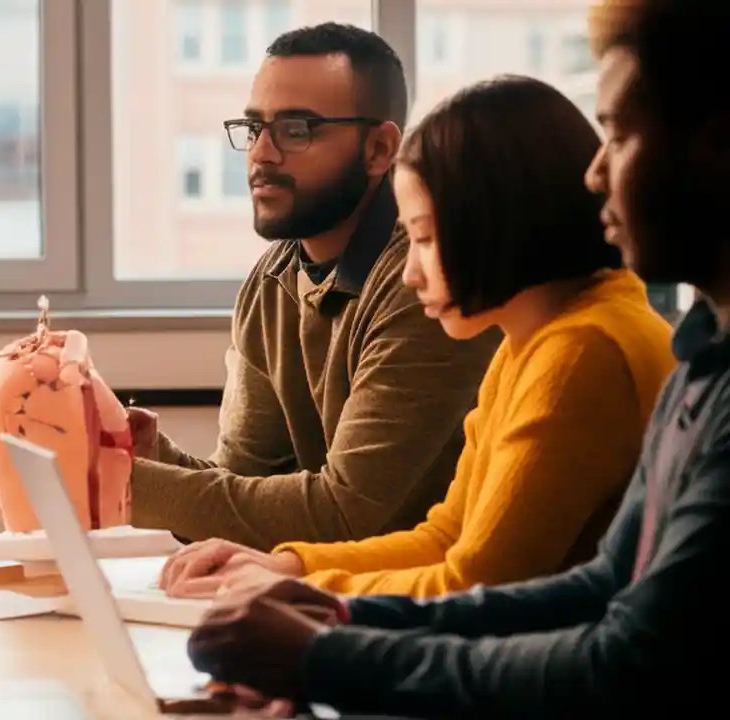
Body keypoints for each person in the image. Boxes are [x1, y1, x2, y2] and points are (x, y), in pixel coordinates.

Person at [185, 0, 730, 715]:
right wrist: (312, 595)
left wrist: (319, 646)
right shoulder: (683, 360)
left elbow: (609, 647)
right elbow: (591, 580)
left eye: (620, 136)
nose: (595, 176)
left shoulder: (586, 349)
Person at [159, 76, 675, 601]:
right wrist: (289, 565)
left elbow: (471, 583)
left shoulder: (581, 351)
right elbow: (445, 537)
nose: (409, 273)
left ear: (499, 222)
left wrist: (302, 589)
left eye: (425, 238)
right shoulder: (531, 339)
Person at [127, 24, 499, 552]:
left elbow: (349, 516)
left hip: (428, 606)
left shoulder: (426, 282)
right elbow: (244, 484)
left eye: (297, 130)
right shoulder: (271, 280)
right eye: (253, 128)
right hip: (332, 596)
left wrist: (124, 488)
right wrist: (144, 455)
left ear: (380, 149)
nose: (261, 155)